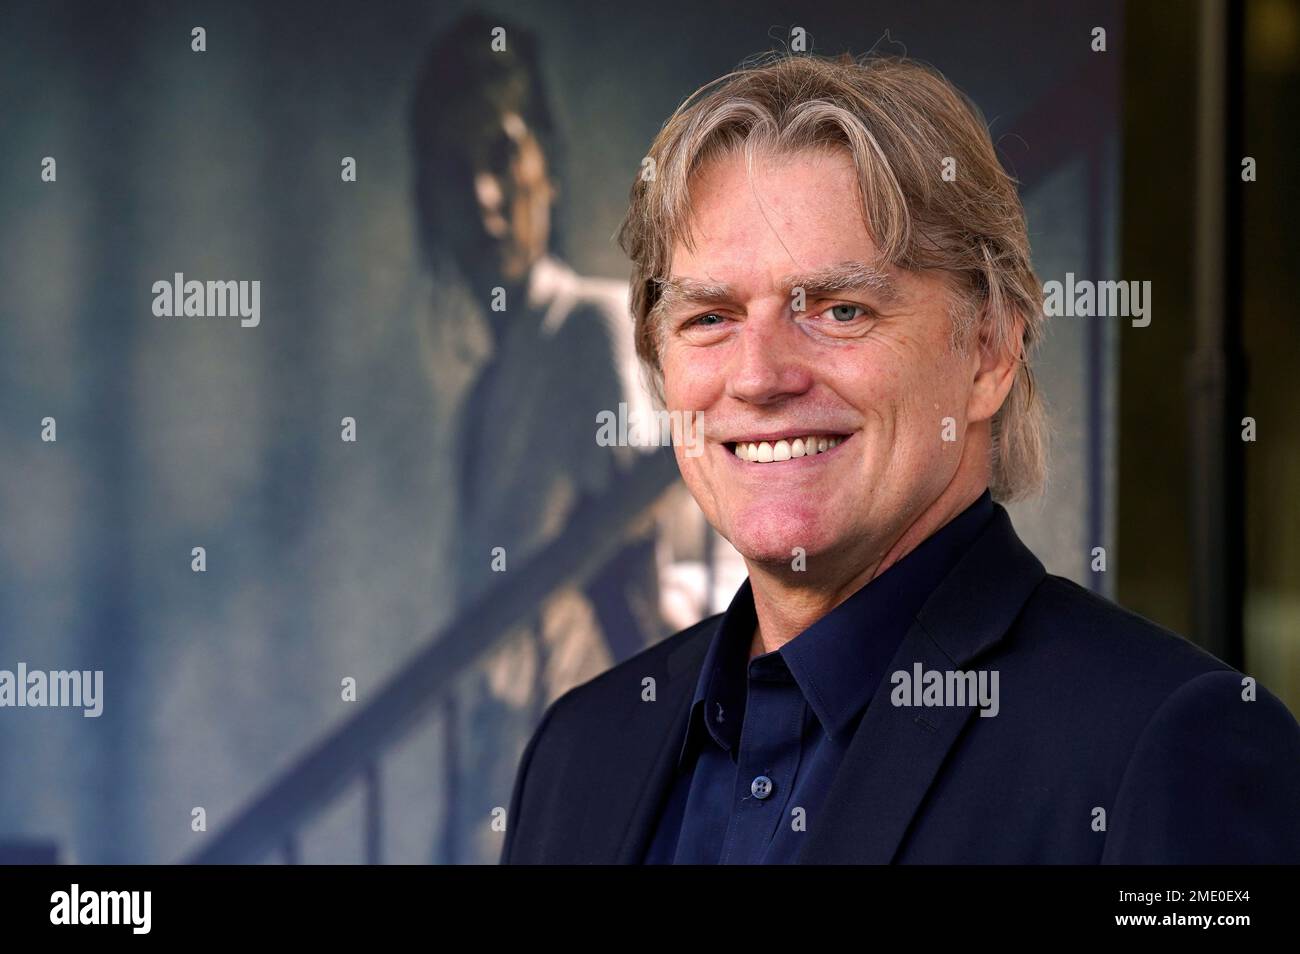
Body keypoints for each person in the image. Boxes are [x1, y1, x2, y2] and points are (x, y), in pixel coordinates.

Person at [499, 51, 1300, 864]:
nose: (760, 376)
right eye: (710, 317)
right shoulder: (578, 753)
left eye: (841, 309)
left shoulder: (1171, 747)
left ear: (989, 350)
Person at [409, 13, 734, 863]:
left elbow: (636, 578)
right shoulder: (482, 402)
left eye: (500, 155)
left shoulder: (585, 332)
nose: (482, 195)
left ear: (544, 166)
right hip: (501, 800)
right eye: (452, 169)